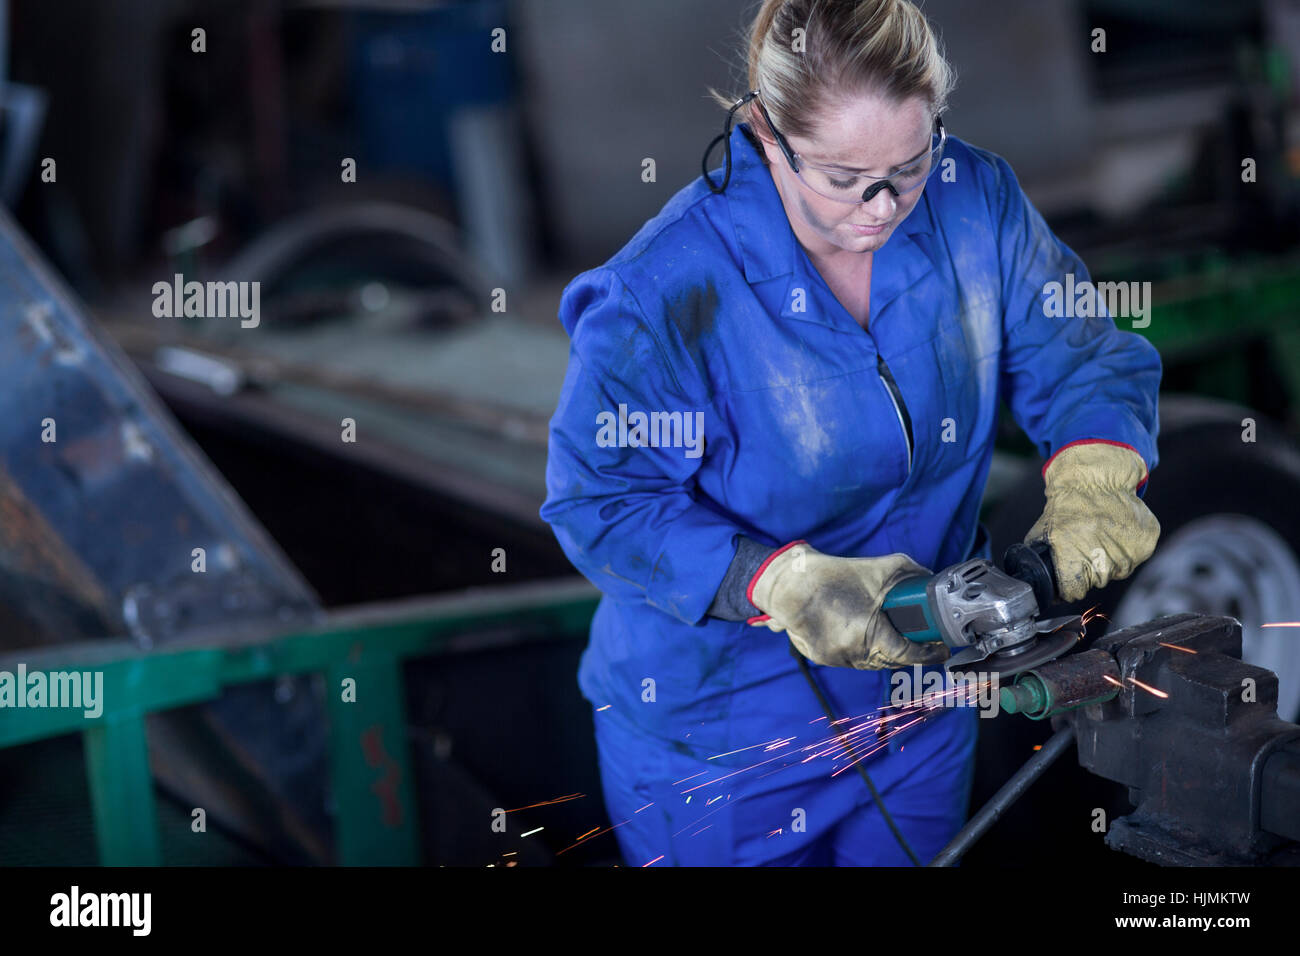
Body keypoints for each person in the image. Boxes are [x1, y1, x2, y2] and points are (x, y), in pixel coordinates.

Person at [541, 0, 1161, 866]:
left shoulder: (974, 201)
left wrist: (1097, 467)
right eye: (842, 179)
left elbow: (1081, 351)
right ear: (763, 131)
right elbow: (600, 501)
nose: (882, 207)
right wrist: (777, 583)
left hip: (923, 698)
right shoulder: (667, 290)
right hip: (724, 741)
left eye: (910, 166)